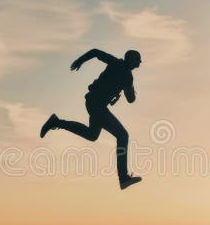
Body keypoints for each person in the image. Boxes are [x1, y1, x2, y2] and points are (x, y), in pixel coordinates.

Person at [40, 48, 143, 190]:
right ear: (131, 60)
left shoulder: (115, 62)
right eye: (138, 61)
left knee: (92, 134)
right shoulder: (127, 76)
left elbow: (95, 52)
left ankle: (56, 122)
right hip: (97, 105)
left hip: (93, 103)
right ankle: (123, 178)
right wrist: (130, 89)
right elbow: (131, 100)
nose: (139, 64)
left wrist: (79, 61)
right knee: (122, 135)